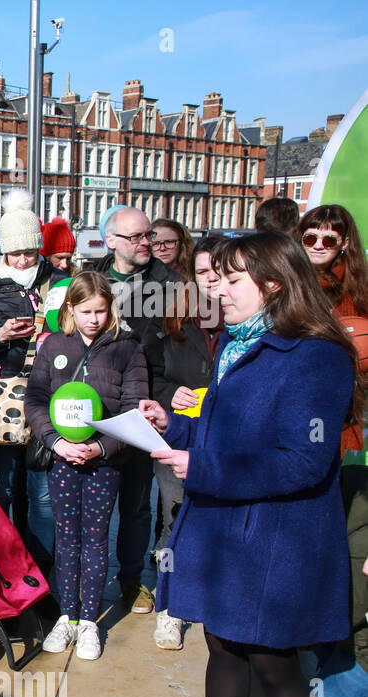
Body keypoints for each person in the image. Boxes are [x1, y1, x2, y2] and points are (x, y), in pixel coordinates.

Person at [142, 232, 361, 697]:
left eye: (232, 280)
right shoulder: (240, 344)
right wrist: (175, 429)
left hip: (275, 540)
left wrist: (204, 466)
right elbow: (227, 435)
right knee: (223, 646)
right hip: (224, 530)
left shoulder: (316, 355)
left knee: (274, 662)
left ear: (272, 284)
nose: (217, 289)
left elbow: (306, 460)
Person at [25, 274, 148, 661]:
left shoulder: (127, 349)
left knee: (94, 541)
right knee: (66, 538)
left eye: (101, 310)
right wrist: (56, 442)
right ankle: (67, 615)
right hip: (61, 459)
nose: (93, 319)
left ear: (111, 309)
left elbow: (134, 410)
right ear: (70, 310)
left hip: (105, 463)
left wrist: (99, 448)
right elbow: (35, 400)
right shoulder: (54, 347)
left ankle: (90, 621)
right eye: (85, 311)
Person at [93, 206, 184, 616]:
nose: (146, 242)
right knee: (92, 506)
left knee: (136, 505)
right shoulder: (88, 280)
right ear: (111, 241)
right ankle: (82, 584)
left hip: (145, 412)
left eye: (148, 235)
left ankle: (131, 580)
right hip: (93, 412)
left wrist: (161, 403)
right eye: (136, 237)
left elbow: (179, 358)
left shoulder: (173, 287)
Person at [0, 190, 57, 564]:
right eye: (14, 253)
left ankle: (41, 568)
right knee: (1, 488)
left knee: (41, 494)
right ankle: (4, 564)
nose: (21, 260)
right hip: (3, 397)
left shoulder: (58, 281)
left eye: (29, 252)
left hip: (47, 394)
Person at [144, 236, 225, 650]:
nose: (211, 282)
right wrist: (167, 395)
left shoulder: (244, 320)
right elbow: (154, 372)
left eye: (219, 273)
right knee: (175, 514)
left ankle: (216, 598)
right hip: (179, 431)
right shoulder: (174, 316)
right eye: (202, 273)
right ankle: (170, 608)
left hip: (226, 437)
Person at [297, 204, 368, 319]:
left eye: (329, 240)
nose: (318, 246)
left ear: (345, 243)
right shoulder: (286, 277)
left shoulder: (359, 287)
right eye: (310, 238)